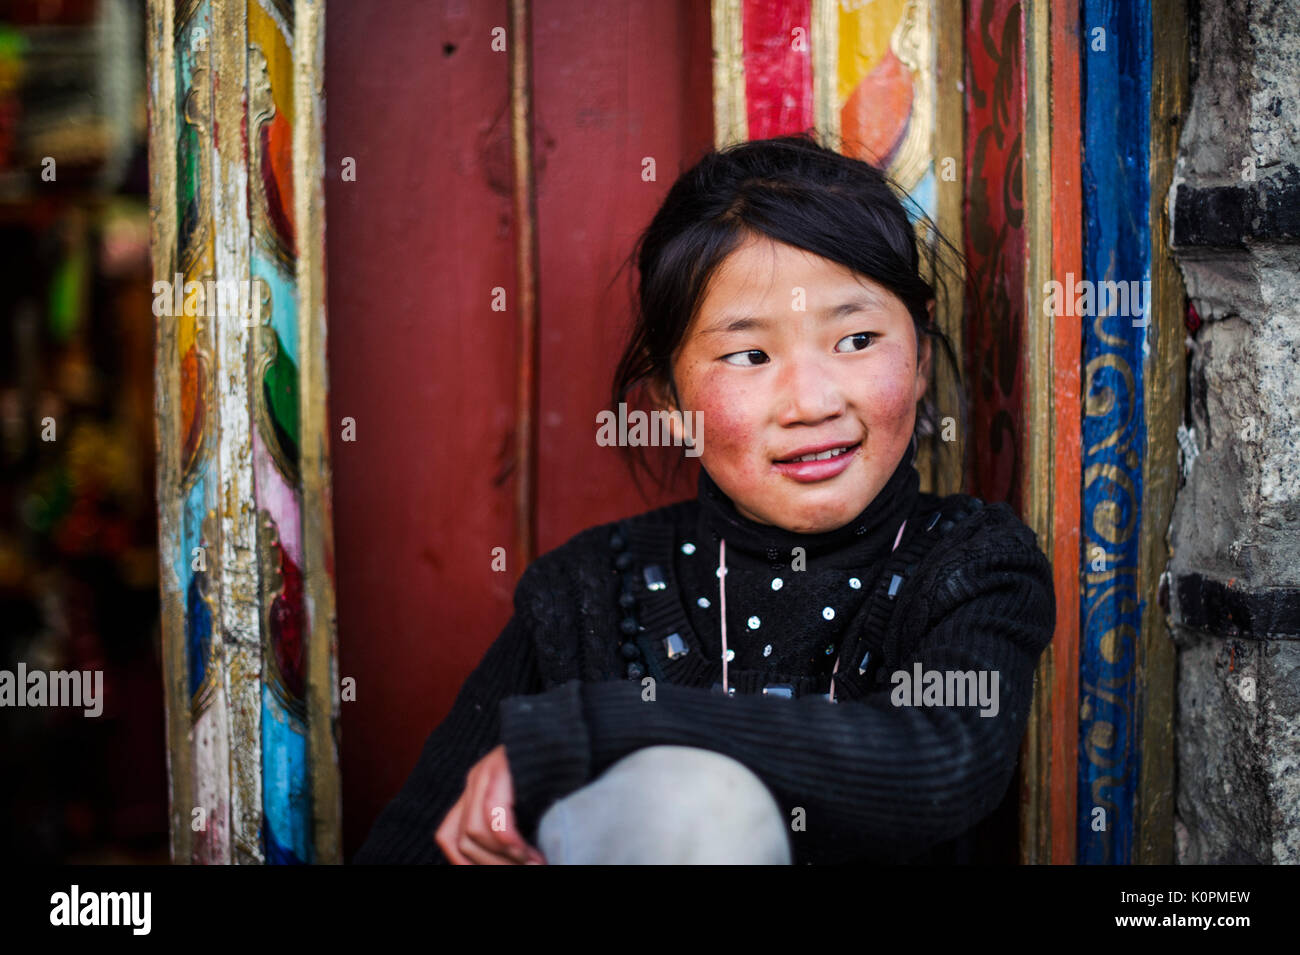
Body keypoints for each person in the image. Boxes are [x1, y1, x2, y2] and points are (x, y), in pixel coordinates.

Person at [353, 132, 1056, 866]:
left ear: (917, 348)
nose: (812, 400)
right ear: (669, 399)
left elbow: (939, 764)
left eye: (856, 338)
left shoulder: (973, 567)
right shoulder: (585, 594)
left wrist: (601, 728)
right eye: (749, 355)